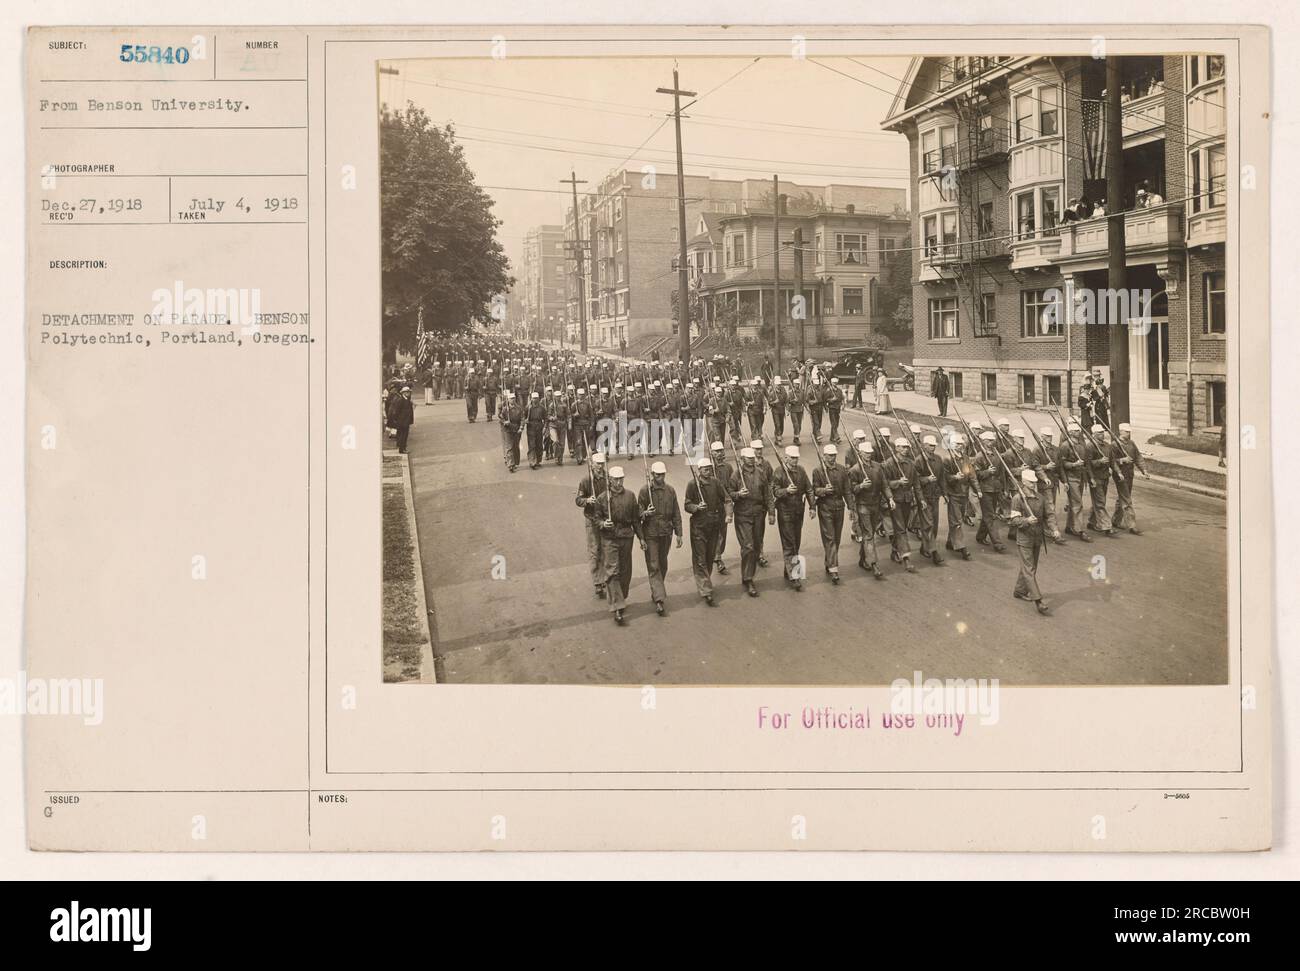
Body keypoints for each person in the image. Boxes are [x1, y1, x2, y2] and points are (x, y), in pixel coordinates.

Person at [595, 466, 645, 625]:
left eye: (621, 479)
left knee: (625, 570)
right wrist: (603, 523)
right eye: (615, 479)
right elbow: (596, 519)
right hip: (609, 538)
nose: (618, 482)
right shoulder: (602, 498)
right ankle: (617, 606)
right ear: (609, 480)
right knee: (612, 571)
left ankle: (621, 596)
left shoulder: (630, 496)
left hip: (626, 537)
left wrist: (641, 538)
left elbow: (636, 519)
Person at [638, 461, 682, 616]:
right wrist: (646, 513)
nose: (660, 478)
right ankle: (659, 599)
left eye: (662, 475)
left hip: (666, 533)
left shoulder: (670, 491)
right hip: (650, 533)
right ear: (652, 475)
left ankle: (656, 590)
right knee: (654, 565)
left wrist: (679, 533)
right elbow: (638, 514)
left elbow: (676, 513)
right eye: (657, 475)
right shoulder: (645, 491)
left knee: (663, 564)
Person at [684, 457, 729, 606]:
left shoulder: (716, 483)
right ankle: (706, 590)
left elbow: (726, 499)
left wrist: (728, 514)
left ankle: (705, 581)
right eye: (705, 469)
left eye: (709, 469)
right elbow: (687, 504)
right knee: (700, 558)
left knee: (710, 556)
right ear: (699, 471)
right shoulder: (692, 484)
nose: (708, 471)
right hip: (698, 526)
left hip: (714, 524)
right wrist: (696, 508)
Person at [770, 445, 815, 590]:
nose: (795, 460)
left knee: (796, 542)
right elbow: (774, 491)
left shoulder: (801, 471)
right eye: (793, 458)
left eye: (797, 458)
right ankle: (795, 575)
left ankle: (788, 569)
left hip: (798, 512)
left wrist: (812, 506)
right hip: (785, 512)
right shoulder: (779, 472)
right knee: (789, 543)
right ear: (786, 458)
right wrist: (786, 491)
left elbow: (808, 488)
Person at [1007, 469, 1052, 615]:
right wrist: (1026, 520)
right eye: (1031, 482)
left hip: (1037, 538)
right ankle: (1038, 601)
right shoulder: (1017, 499)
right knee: (1029, 570)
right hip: (1024, 538)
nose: (1034, 484)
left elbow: (1048, 515)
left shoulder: (1040, 498)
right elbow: (1013, 520)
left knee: (1030, 567)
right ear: (1024, 482)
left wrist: (1054, 529)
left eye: (1035, 482)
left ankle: (1019, 591)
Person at [848, 439, 894, 579]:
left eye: (870, 452)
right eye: (866, 453)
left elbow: (884, 484)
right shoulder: (855, 470)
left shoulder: (877, 467)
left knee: (871, 533)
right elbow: (851, 490)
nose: (868, 454)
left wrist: (890, 498)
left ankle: (863, 558)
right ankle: (874, 564)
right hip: (863, 506)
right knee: (869, 535)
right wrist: (861, 486)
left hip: (875, 505)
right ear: (860, 453)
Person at [731, 447, 772, 597]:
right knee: (748, 546)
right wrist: (738, 494)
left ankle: (747, 573)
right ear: (742, 459)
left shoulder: (760, 473)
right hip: (743, 515)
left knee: (755, 546)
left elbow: (767, 494)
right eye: (748, 458)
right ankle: (749, 579)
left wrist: (771, 512)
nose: (751, 460)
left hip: (758, 514)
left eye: (752, 458)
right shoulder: (736, 475)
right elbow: (728, 495)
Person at [811, 443, 851, 584]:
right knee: (830, 538)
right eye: (829, 455)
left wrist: (851, 507)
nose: (832, 458)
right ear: (824, 456)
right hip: (825, 507)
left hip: (839, 507)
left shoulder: (841, 470)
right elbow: (814, 489)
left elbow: (847, 489)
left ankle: (829, 561)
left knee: (837, 538)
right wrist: (823, 490)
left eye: (834, 455)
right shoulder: (818, 471)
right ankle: (834, 569)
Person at [576, 452, 609, 598]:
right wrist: (587, 500)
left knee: (605, 549)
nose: (600, 466)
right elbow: (578, 500)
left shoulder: (608, 478)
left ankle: (605, 578)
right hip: (591, 518)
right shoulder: (586, 480)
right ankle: (597, 582)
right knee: (594, 550)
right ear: (592, 464)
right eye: (598, 464)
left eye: (602, 463)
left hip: (604, 518)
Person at [939, 432, 977, 560]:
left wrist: (977, 489)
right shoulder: (947, 459)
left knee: (957, 519)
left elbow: (971, 474)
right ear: (951, 445)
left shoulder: (965, 458)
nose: (959, 446)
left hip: (964, 493)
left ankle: (951, 542)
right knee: (957, 521)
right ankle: (961, 547)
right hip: (953, 494)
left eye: (961, 444)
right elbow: (944, 478)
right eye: (956, 444)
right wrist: (955, 477)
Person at [1110, 422, 1149, 534]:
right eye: (1126, 431)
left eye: (1129, 432)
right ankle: (1132, 525)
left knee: (1123, 497)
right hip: (1120, 475)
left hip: (1129, 474)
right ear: (1121, 431)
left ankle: (1116, 520)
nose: (1128, 433)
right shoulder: (1114, 445)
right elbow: (1111, 461)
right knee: (1127, 499)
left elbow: (1138, 457)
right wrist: (1122, 460)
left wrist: (1144, 470)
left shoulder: (1131, 443)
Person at [1084, 424, 1117, 536]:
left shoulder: (1107, 446)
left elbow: (1112, 461)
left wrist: (1119, 472)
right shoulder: (1090, 447)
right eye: (1099, 433)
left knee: (1099, 502)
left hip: (1105, 477)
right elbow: (1087, 464)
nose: (1102, 435)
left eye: (1103, 432)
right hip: (1095, 478)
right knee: (1100, 502)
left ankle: (1092, 522)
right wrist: (1099, 462)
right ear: (1093, 434)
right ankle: (1107, 526)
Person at [498, 390, 523, 473]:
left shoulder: (519, 408)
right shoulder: (505, 409)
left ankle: (515, 463)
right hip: (508, 430)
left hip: (516, 429)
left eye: (513, 398)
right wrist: (505, 422)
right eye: (511, 399)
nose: (512, 400)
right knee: (509, 447)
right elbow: (500, 418)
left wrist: (521, 428)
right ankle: (510, 465)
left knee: (516, 446)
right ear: (508, 400)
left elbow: (522, 419)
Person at [387, 385, 415, 454]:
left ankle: (403, 447)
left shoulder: (407, 400)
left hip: (406, 420)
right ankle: (402, 449)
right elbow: (396, 411)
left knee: (405, 435)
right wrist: (397, 419)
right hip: (402, 421)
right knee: (402, 435)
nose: (409, 393)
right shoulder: (400, 400)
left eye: (409, 392)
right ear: (404, 393)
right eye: (407, 392)